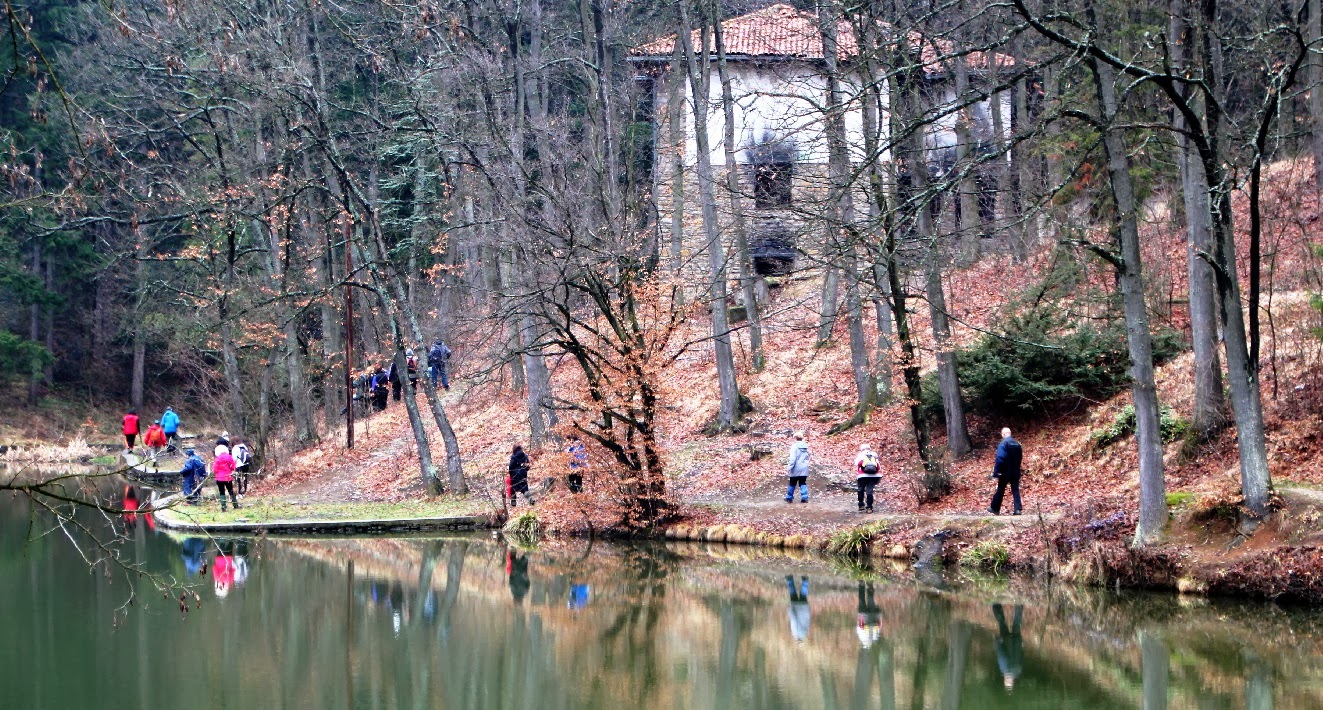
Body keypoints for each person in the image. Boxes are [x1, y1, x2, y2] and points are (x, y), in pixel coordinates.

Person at [989, 427, 1024, 516]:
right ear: (1010, 433)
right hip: (1015, 470)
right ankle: (1018, 509)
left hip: (1005, 471)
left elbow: (1000, 458)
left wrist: (996, 471)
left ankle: (995, 508)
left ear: (1003, 434)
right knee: (1015, 489)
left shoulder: (1003, 444)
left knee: (1001, 489)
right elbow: (1020, 457)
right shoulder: (1017, 444)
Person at [992, 603, 1024, 691]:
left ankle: (1019, 604)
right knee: (1001, 623)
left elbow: (1021, 655)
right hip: (1006, 641)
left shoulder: (1018, 670)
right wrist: (997, 641)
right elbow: (1001, 655)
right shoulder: (1004, 669)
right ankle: (996, 604)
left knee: (1017, 623)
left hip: (1017, 641)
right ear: (1006, 680)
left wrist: (1021, 644)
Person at [854, 443, 882, 513]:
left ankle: (861, 505)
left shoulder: (860, 455)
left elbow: (857, 463)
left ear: (861, 449)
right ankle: (869, 507)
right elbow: (878, 467)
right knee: (869, 492)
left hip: (862, 476)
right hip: (873, 476)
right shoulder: (874, 455)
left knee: (860, 489)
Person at [785, 431, 810, 503]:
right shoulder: (805, 446)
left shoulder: (794, 446)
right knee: (802, 482)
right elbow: (808, 456)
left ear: (795, 438)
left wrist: (789, 467)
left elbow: (793, 459)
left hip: (795, 468)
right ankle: (804, 497)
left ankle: (789, 498)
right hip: (804, 468)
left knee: (792, 482)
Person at [856, 581, 882, 649]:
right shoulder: (863, 637)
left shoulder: (875, 637)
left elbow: (879, 624)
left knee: (870, 600)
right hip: (864, 615)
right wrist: (860, 616)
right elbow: (860, 626)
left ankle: (869, 586)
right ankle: (862, 584)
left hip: (872, 615)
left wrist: (879, 615)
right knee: (861, 599)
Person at [213, 445, 240, 511]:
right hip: (228, 477)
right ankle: (235, 504)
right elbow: (233, 467)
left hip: (219, 478)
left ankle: (223, 507)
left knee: (221, 492)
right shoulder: (229, 457)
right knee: (230, 491)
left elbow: (215, 469)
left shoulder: (217, 459)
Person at [507, 443, 533, 507]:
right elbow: (528, 465)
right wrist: (525, 470)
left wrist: (511, 473)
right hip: (523, 474)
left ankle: (513, 502)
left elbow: (511, 466)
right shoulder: (525, 455)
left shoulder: (513, 456)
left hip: (515, 475)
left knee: (513, 488)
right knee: (524, 488)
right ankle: (530, 499)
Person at [786, 575, 810, 642]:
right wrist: (790, 611)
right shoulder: (795, 633)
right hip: (795, 608)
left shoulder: (805, 632)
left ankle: (805, 581)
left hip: (804, 609)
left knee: (803, 595)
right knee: (793, 594)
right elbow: (793, 620)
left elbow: (807, 621)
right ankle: (789, 579)